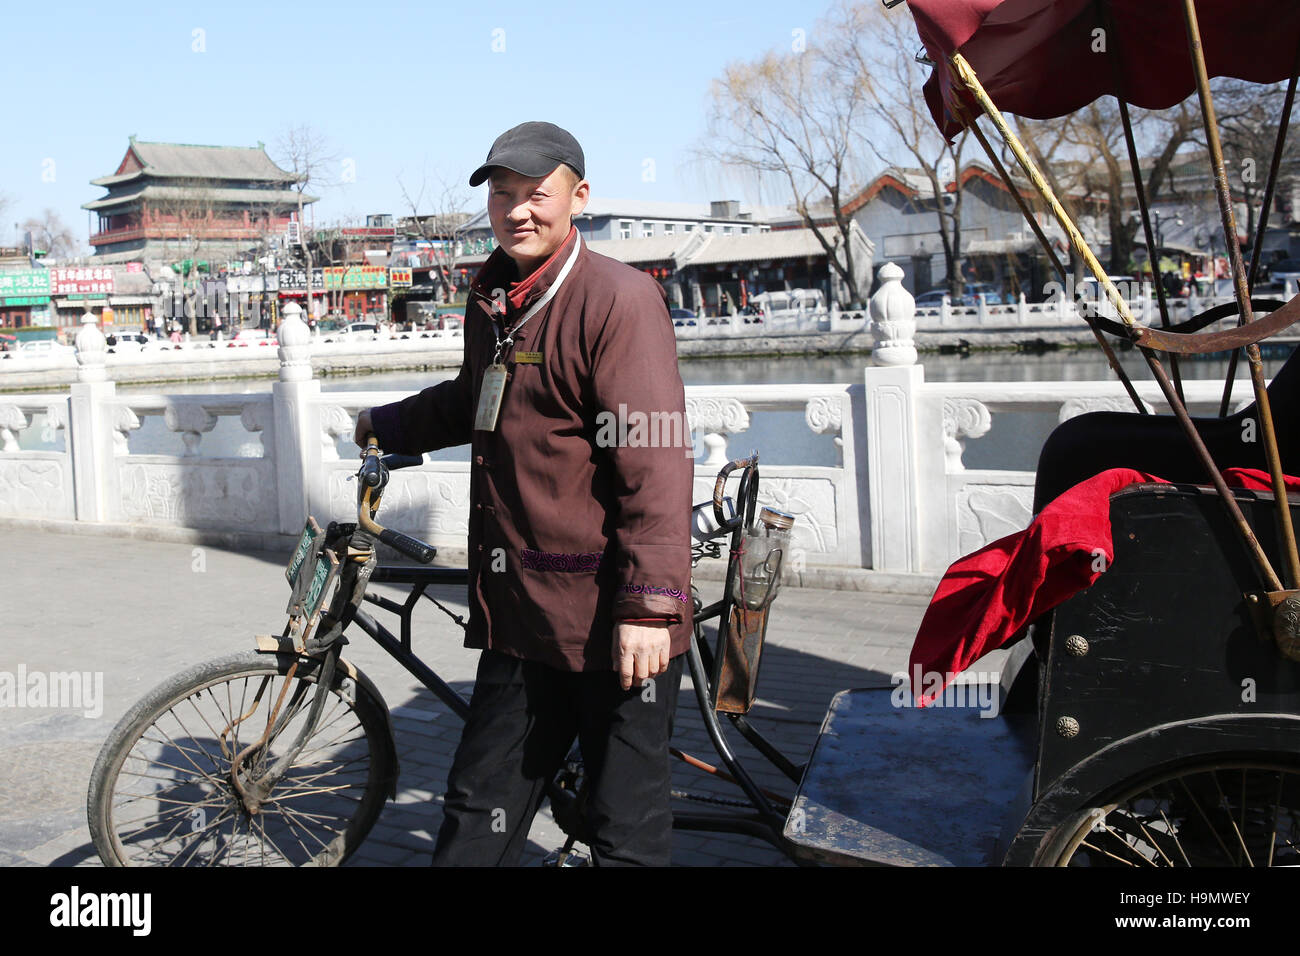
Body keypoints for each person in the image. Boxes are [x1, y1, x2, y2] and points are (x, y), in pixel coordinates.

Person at [353, 121, 692, 866]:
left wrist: (649, 607)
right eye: (502, 195)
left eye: (536, 194)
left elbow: (655, 460)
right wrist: (380, 424)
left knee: (624, 828)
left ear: (579, 196)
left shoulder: (617, 300)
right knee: (477, 815)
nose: (516, 211)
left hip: (610, 624)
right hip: (522, 618)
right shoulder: (497, 296)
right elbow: (477, 398)